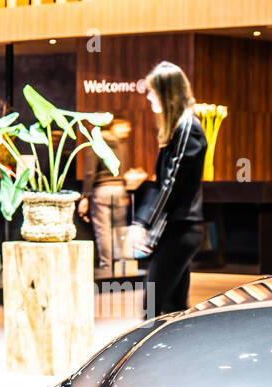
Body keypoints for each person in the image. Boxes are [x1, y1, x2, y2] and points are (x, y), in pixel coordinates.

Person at [127, 62, 206, 317]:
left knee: (152, 308)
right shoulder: (178, 129)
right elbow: (163, 182)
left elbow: (172, 183)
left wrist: (144, 224)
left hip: (181, 229)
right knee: (171, 309)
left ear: (166, 92)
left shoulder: (187, 127)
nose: (149, 98)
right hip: (176, 229)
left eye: (152, 91)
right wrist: (142, 221)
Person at [78, 116, 133, 273]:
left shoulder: (97, 144)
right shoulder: (120, 144)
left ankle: (107, 267)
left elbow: (90, 172)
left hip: (102, 190)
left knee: (104, 230)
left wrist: (85, 196)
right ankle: (124, 267)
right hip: (119, 189)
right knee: (120, 229)